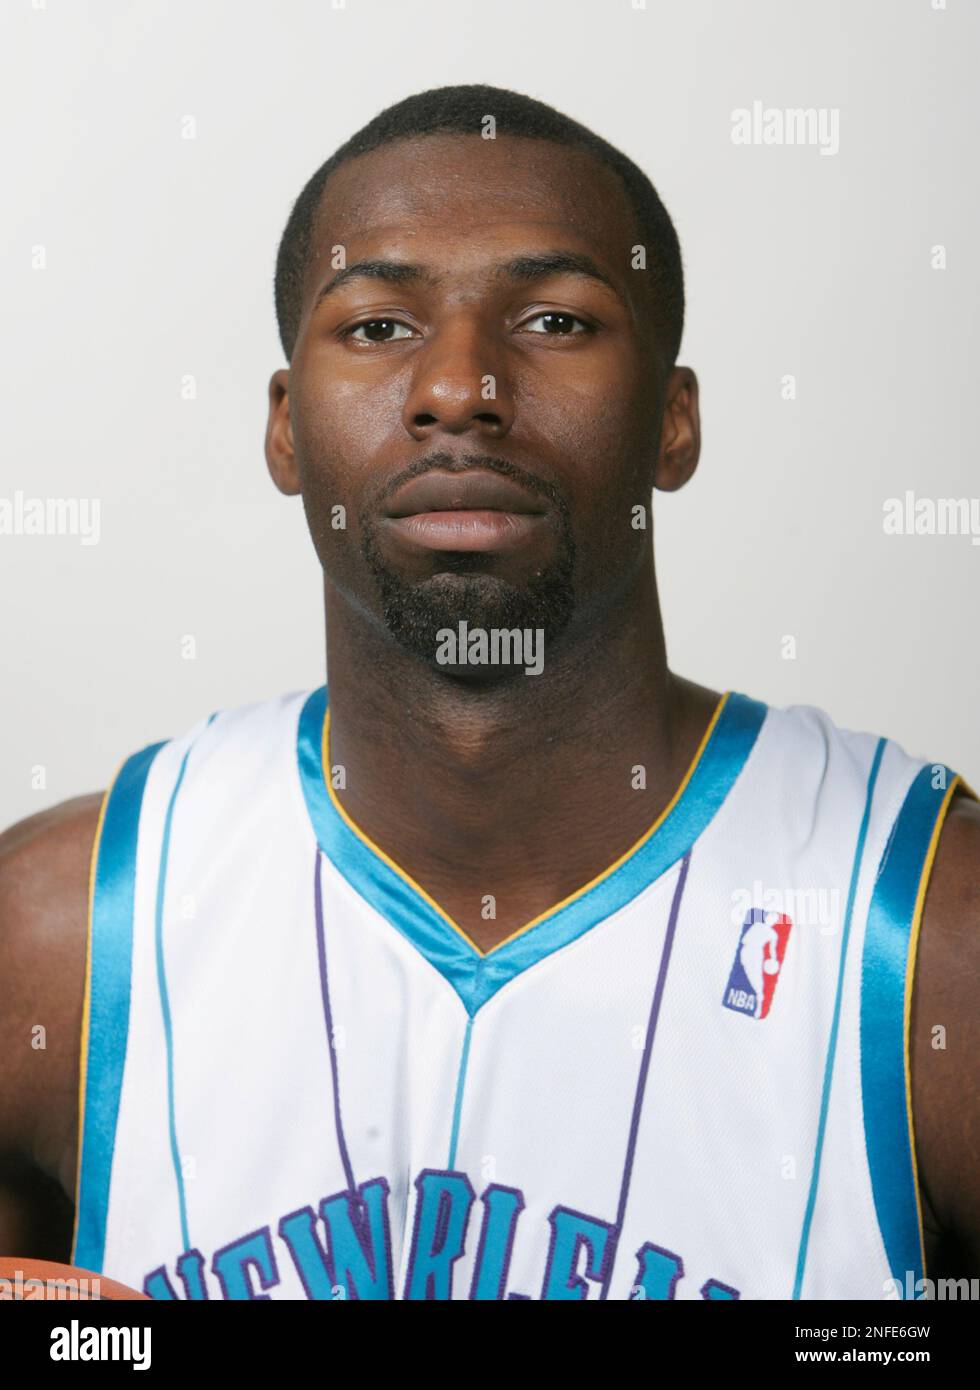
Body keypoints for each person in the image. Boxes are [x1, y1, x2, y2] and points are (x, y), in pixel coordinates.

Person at [1, 84, 977, 1300]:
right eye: (375, 327)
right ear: (284, 427)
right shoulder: (53, 941)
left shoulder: (925, 942)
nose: (459, 388)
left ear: (673, 423)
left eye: (557, 321)